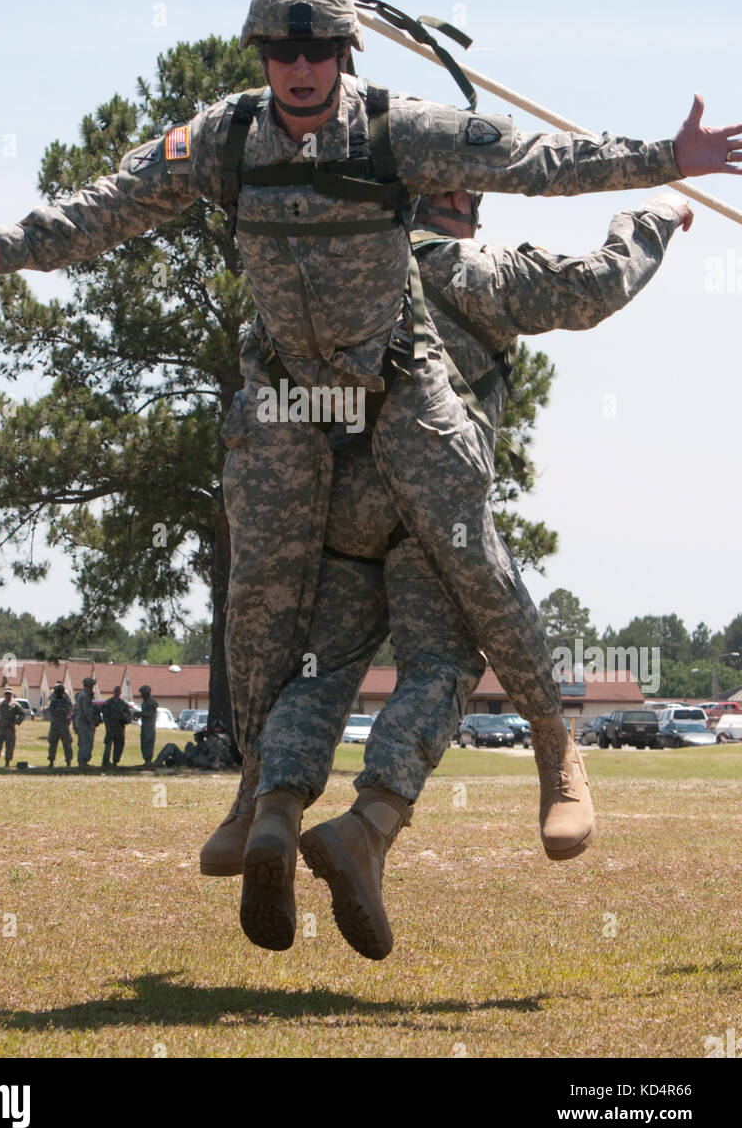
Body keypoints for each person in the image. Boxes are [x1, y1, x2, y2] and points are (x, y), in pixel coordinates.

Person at [0, 0, 740, 941]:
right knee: (259, 597)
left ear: (344, 54)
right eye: (280, 51)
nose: (299, 68)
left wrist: (661, 156)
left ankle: (555, 748)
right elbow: (115, 203)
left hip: (393, 383)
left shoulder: (402, 132)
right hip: (287, 396)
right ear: (260, 56)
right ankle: (258, 794)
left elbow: (535, 160)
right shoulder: (221, 138)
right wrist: (7, 247)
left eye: (315, 50)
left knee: (473, 556)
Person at [213, 189, 693, 956]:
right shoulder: (481, 271)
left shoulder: (337, 282)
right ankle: (367, 827)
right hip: (432, 512)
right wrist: (651, 222)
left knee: (323, 670)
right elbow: (595, 288)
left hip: (333, 512)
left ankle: (271, 814)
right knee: (439, 665)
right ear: (465, 204)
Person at [0, 690, 25, 767]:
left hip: (10, 729)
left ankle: (7, 763)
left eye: (9, 694)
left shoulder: (15, 705)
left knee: (10, 746)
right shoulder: (0, 704)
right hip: (1, 728)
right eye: (6, 694)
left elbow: (22, 714)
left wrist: (16, 722)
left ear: (11, 695)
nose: (8, 696)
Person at [100, 686, 133, 768]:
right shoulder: (108, 703)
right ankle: (105, 761)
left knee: (119, 745)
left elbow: (129, 716)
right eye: (116, 691)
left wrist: (126, 720)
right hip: (110, 727)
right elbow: (105, 715)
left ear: (120, 692)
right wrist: (107, 726)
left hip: (120, 728)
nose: (117, 692)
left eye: (119, 691)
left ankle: (115, 761)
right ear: (113, 691)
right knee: (108, 745)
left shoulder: (123, 704)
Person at [72, 677, 100, 770]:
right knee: (87, 742)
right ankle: (83, 762)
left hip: (79, 722)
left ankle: (81, 762)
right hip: (84, 723)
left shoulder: (80, 695)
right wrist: (92, 722)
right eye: (92, 686)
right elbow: (87, 711)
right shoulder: (85, 696)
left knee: (82, 742)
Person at [46, 683, 74, 768]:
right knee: (52, 744)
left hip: (64, 726)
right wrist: (61, 710)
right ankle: (51, 761)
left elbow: (70, 710)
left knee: (67, 744)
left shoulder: (66, 701)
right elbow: (51, 711)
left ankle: (68, 761)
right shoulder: (53, 702)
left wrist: (61, 710)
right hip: (55, 726)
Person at [138, 685, 157, 768]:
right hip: (144, 726)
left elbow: (151, 714)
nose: (141, 695)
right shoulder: (144, 702)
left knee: (148, 743)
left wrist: (141, 714)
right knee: (143, 744)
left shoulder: (152, 702)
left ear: (147, 693)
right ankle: (146, 760)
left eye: (142, 693)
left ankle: (149, 760)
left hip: (150, 727)